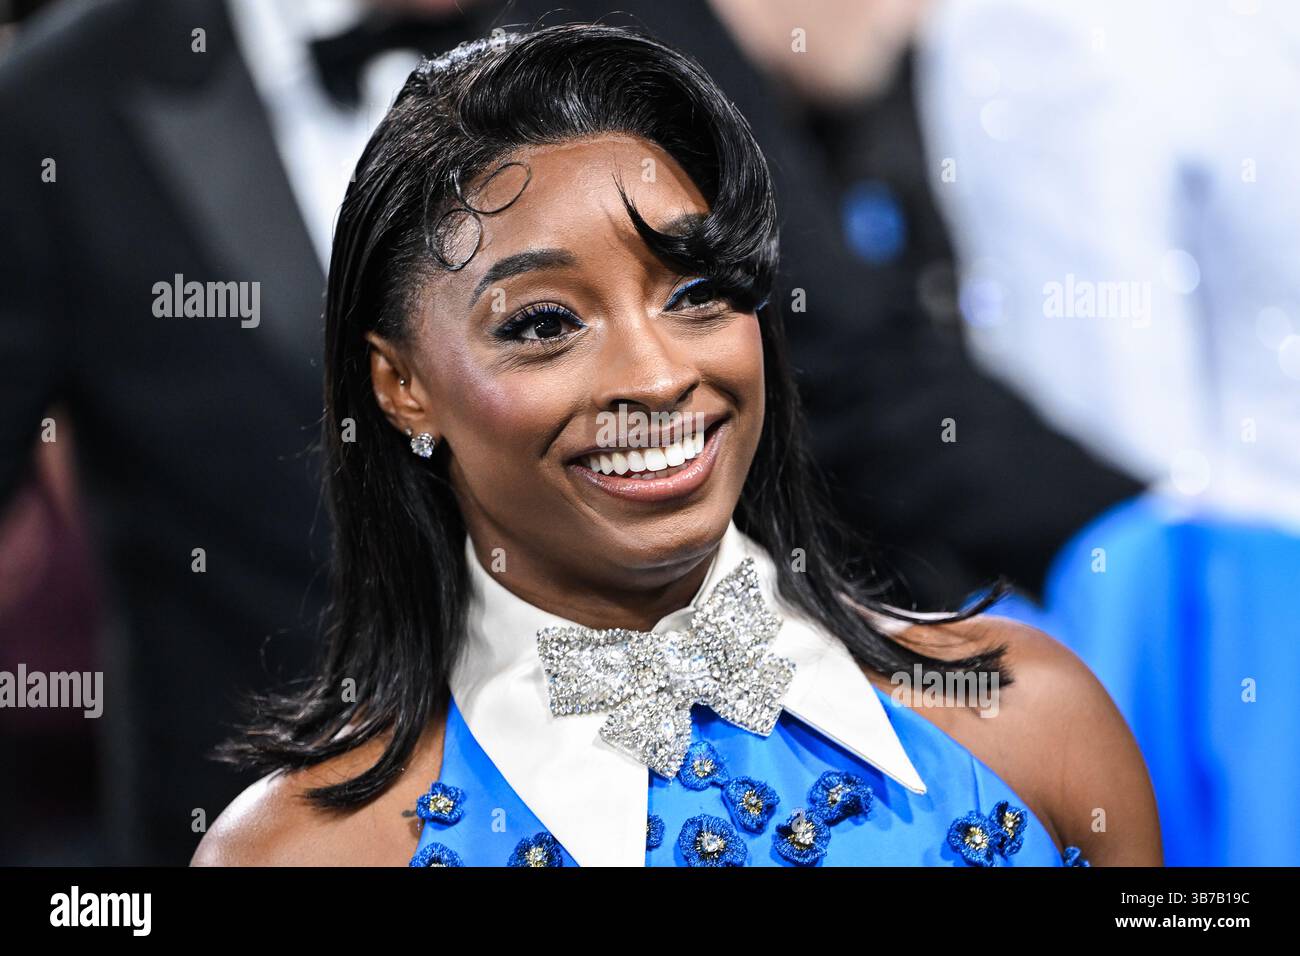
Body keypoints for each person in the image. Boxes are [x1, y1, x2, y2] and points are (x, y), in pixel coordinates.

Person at [192, 25, 1160, 867]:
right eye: (543, 324)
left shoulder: (1033, 718)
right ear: (400, 386)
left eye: (696, 292)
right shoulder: (299, 852)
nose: (657, 377)